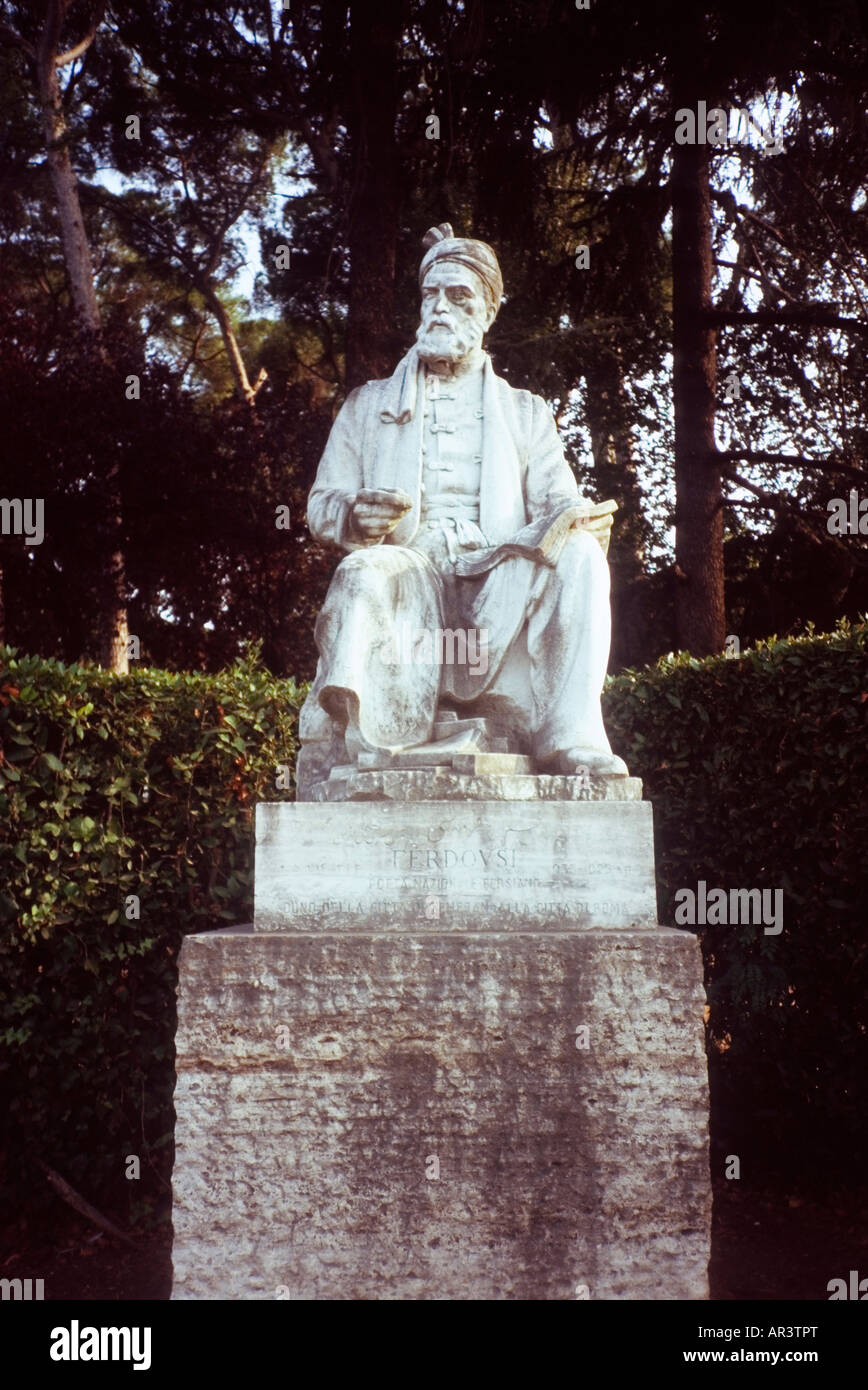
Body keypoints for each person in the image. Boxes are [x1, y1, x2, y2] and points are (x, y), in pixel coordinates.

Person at [297, 223, 628, 796]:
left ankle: (570, 736)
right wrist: (354, 516)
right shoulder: (368, 403)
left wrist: (578, 517)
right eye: (431, 295)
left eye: (459, 297)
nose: (441, 309)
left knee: (579, 556)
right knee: (359, 571)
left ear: (487, 313)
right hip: (412, 567)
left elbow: (558, 499)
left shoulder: (526, 412)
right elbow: (321, 503)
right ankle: (378, 743)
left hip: (495, 568)